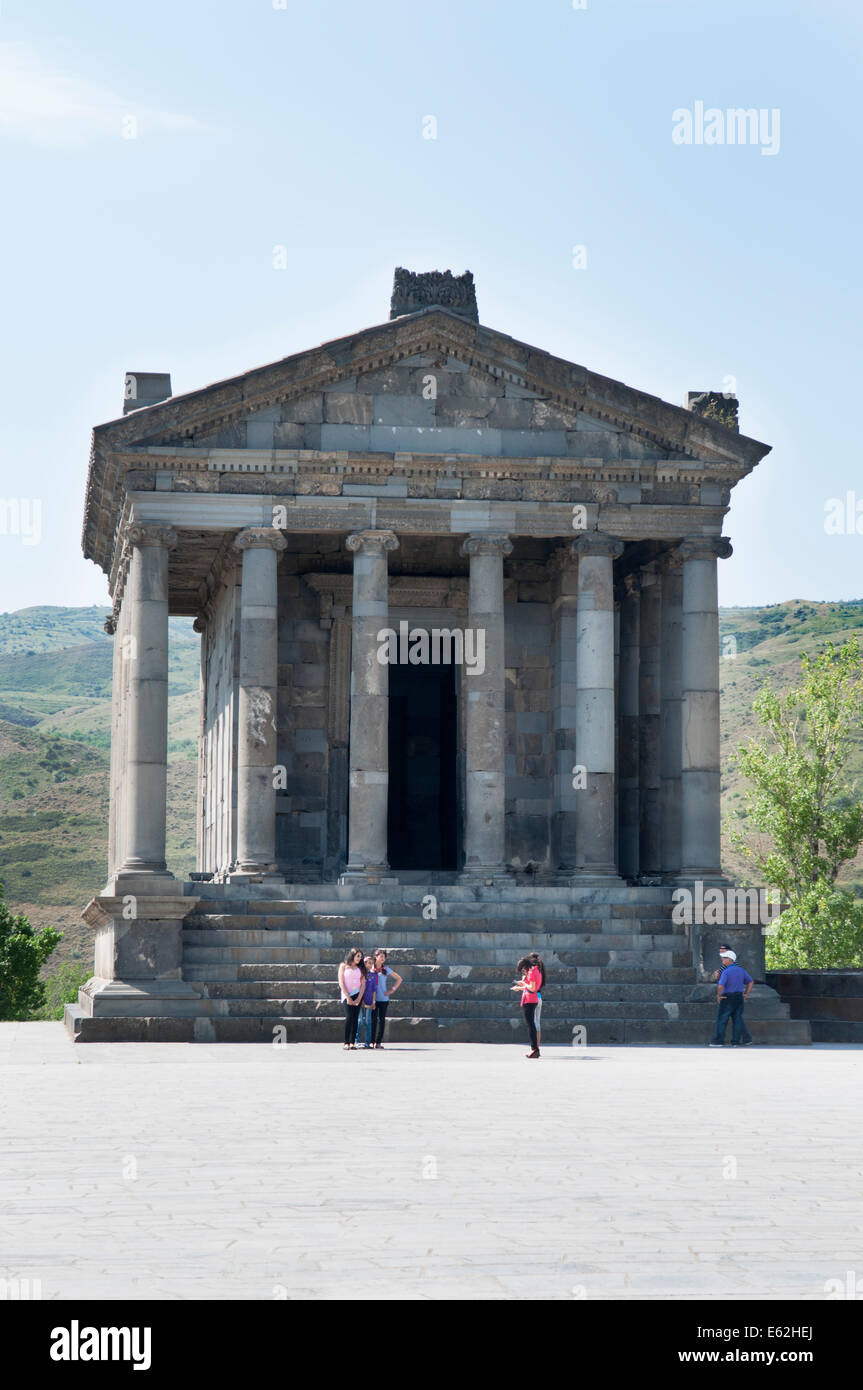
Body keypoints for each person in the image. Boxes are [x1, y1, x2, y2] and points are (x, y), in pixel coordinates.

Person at [708, 948, 754, 1047]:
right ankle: (735, 1042)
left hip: (727, 997)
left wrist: (719, 995)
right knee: (737, 1019)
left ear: (730, 959)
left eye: (725, 958)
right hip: (739, 997)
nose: (722, 960)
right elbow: (750, 981)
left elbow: (720, 985)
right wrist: (746, 994)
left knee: (722, 1019)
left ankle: (718, 1041)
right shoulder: (741, 970)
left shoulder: (726, 972)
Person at [512, 954, 543, 1059]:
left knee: (531, 1025)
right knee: (532, 1024)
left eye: (522, 970)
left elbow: (532, 988)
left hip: (529, 999)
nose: (523, 971)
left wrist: (521, 987)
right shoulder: (536, 970)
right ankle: (534, 1049)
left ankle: (534, 1049)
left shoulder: (531, 972)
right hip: (532, 999)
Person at [372, 948, 402, 1049]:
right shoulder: (371, 968)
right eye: (381, 956)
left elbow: (399, 979)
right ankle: (371, 1041)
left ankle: (378, 1042)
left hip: (384, 999)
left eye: (384, 957)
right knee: (372, 1020)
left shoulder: (386, 969)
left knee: (382, 1020)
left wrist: (392, 990)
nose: (382, 959)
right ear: (375, 957)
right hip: (373, 998)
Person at [338, 947, 366, 1050]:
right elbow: (341, 982)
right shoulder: (343, 966)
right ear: (352, 955)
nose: (359, 958)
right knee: (349, 1017)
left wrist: (359, 998)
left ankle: (352, 1042)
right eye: (357, 956)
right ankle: (346, 1042)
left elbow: (363, 984)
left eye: (360, 957)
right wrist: (348, 997)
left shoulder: (361, 968)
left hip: (357, 994)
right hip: (347, 994)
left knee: (355, 1018)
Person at [355, 955, 378, 1049]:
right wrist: (361, 1000)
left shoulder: (374, 975)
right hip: (360, 1001)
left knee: (368, 1021)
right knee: (360, 1021)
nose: (370, 965)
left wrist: (373, 1002)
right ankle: (357, 1041)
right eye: (368, 963)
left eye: (371, 963)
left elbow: (374, 990)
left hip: (369, 1001)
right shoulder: (360, 974)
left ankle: (368, 1042)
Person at [529, 952, 546, 1048]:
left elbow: (531, 987)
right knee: (537, 1023)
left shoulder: (533, 972)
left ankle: (535, 1047)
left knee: (533, 1023)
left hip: (533, 997)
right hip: (539, 997)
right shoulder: (541, 971)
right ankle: (537, 1046)